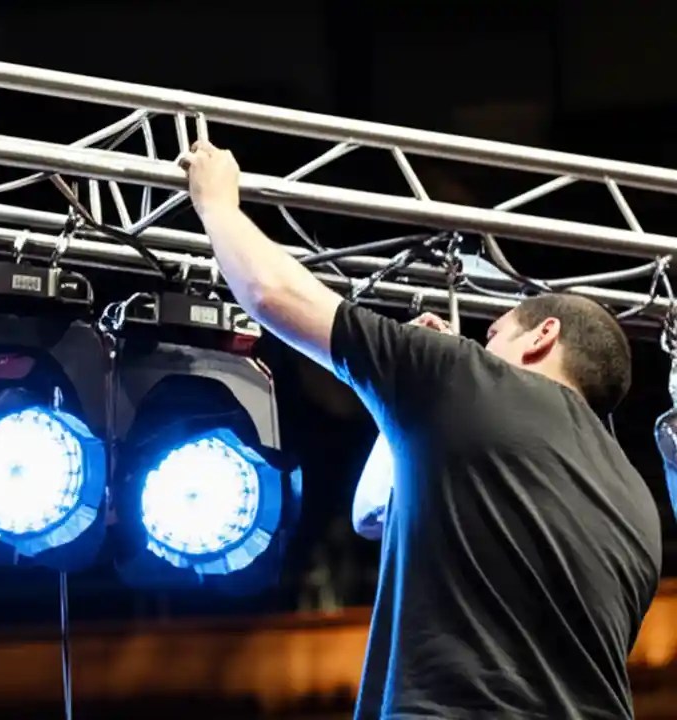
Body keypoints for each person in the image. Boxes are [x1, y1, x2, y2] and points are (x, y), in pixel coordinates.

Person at [180, 140, 663, 719]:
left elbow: (271, 292)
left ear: (542, 336)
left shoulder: (469, 377)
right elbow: (375, 514)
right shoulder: (637, 502)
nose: (480, 344)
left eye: (494, 334)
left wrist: (217, 205)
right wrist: (411, 413)